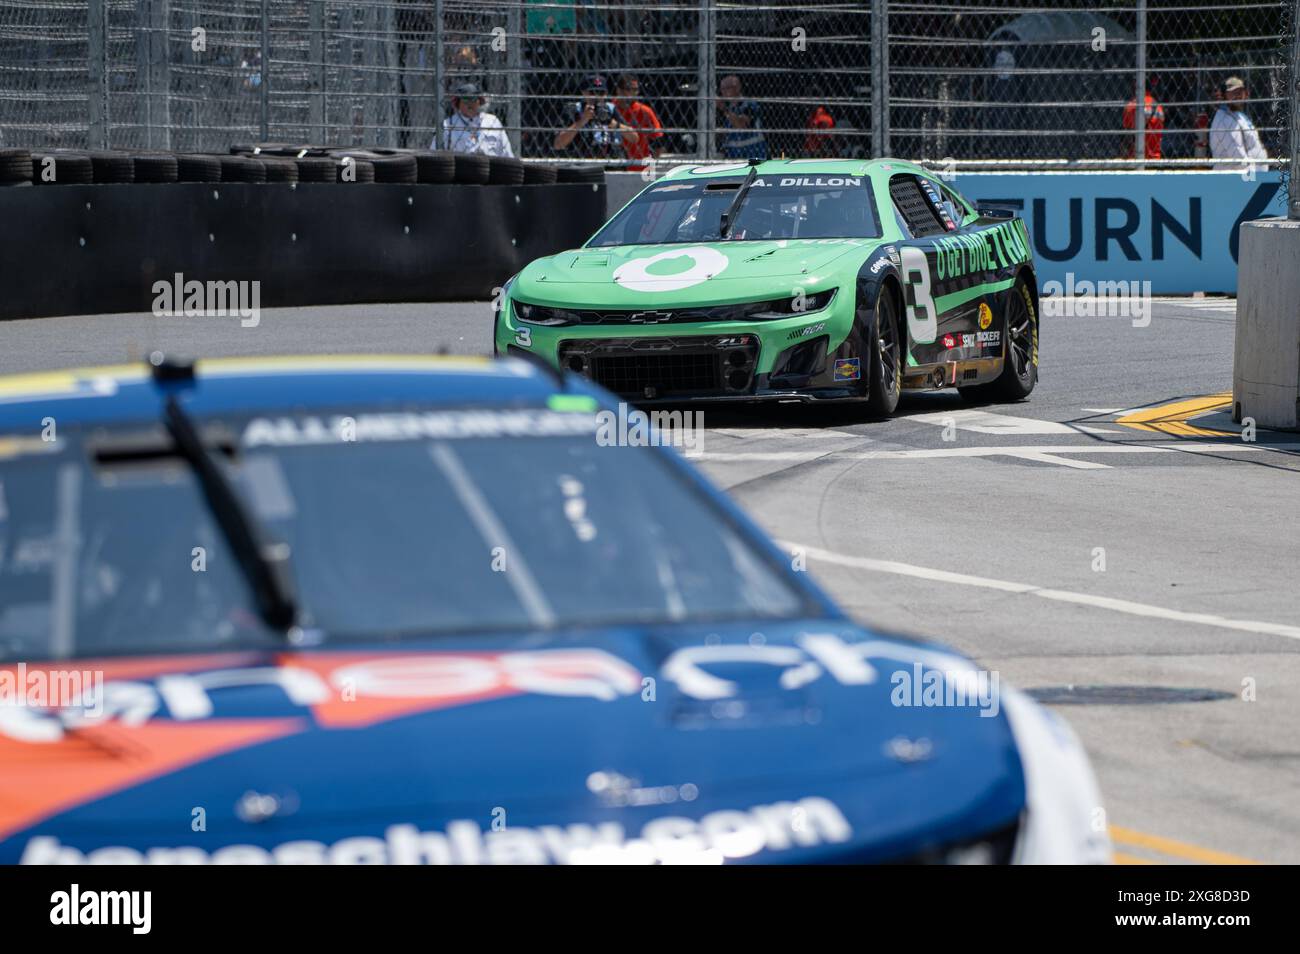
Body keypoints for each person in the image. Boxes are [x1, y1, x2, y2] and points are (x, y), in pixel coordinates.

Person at [553, 75, 641, 158]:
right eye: (592, 92)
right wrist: (582, 120)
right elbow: (558, 144)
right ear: (584, 93)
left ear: (606, 94)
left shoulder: (610, 108)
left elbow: (634, 138)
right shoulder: (574, 109)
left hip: (608, 160)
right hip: (580, 162)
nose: (597, 96)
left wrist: (611, 122)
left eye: (601, 93)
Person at [436, 81, 514, 157]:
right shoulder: (448, 125)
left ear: (479, 102)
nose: (470, 104)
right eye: (465, 100)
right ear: (458, 104)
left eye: (473, 100)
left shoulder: (492, 122)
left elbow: (506, 152)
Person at [1210, 76, 1268, 169]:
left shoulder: (1238, 115)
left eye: (1240, 92)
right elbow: (1237, 155)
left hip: (1250, 176)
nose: (1238, 95)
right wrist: (1251, 176)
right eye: (1233, 92)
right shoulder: (1225, 119)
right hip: (1237, 178)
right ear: (1224, 95)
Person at [613, 74, 664, 172]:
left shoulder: (644, 111)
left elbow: (659, 140)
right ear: (618, 90)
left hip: (639, 167)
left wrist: (651, 162)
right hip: (614, 164)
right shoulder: (610, 108)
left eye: (635, 90)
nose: (633, 93)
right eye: (629, 89)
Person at [717, 75, 767, 160]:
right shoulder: (727, 108)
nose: (724, 92)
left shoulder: (749, 104)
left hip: (753, 152)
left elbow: (742, 125)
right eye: (722, 89)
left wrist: (723, 108)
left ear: (737, 88)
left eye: (728, 88)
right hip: (732, 154)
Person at [1122, 80, 1164, 160]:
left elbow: (1126, 133)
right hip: (1155, 158)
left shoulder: (1131, 106)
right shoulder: (1158, 106)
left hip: (1135, 158)